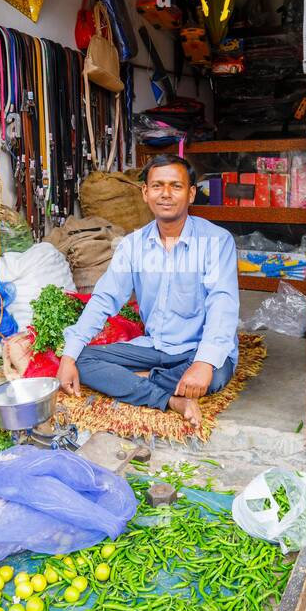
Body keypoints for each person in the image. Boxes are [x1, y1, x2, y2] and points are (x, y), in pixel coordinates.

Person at [56, 154, 239, 428]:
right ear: (145, 192)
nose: (166, 194)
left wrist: (203, 363)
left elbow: (222, 306)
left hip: (194, 349)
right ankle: (171, 400)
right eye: (157, 186)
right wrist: (69, 356)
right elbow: (104, 298)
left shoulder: (217, 241)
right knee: (82, 361)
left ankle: (140, 379)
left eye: (176, 186)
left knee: (215, 372)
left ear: (191, 194)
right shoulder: (132, 245)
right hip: (153, 346)